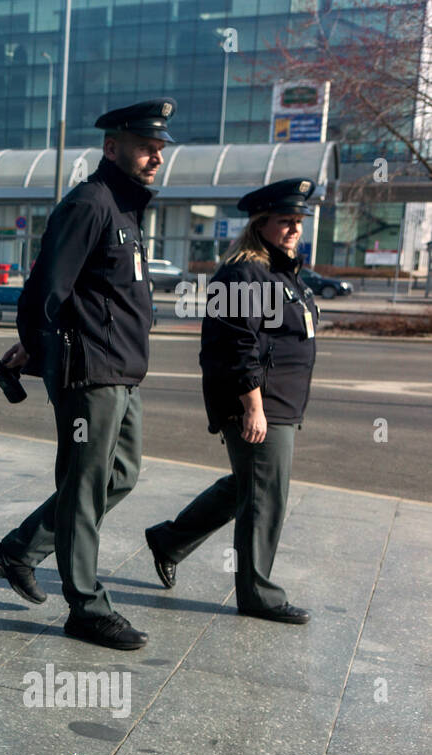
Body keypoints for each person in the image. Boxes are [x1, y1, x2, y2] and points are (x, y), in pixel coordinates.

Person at [0, 99, 178, 651]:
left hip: (121, 372)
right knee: (86, 486)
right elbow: (45, 293)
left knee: (120, 476)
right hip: (90, 374)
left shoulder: (126, 210)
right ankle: (86, 607)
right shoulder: (90, 204)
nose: (155, 156)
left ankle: (20, 551)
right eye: (145, 146)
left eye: (160, 148)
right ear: (112, 148)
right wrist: (45, 359)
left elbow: (91, 295)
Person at [143, 180, 318, 624]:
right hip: (260, 403)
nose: (294, 228)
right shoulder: (244, 274)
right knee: (265, 496)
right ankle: (258, 593)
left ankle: (170, 541)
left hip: (281, 401)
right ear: (261, 224)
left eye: (298, 221)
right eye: (285, 221)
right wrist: (253, 406)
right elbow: (237, 346)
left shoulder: (283, 271)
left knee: (247, 487)